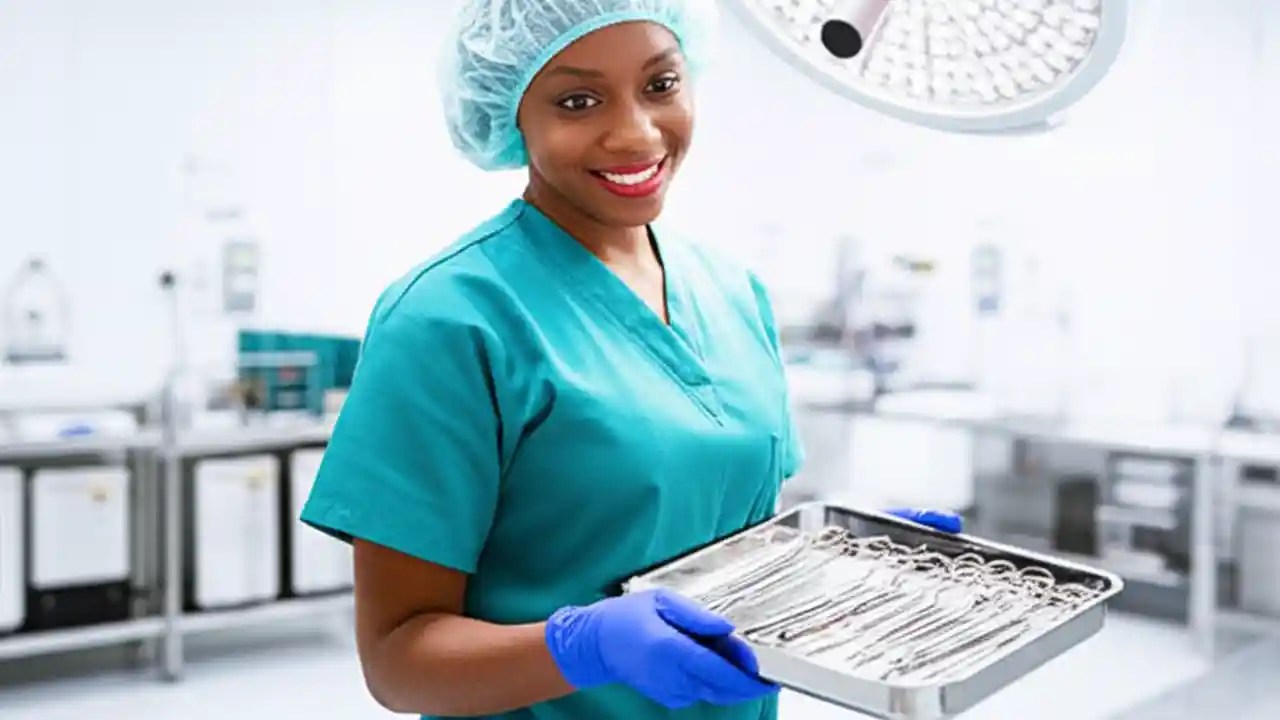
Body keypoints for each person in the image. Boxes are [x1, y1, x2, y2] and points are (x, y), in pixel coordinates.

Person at [300, 2, 963, 719]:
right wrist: (582, 647)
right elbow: (400, 661)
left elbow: (723, 537)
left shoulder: (734, 291)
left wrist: (832, 559)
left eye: (661, 85)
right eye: (577, 100)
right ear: (512, 115)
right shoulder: (447, 318)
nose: (637, 133)